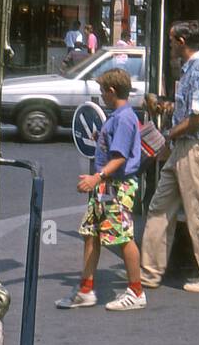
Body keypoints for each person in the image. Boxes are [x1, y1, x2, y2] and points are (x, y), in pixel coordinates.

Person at [140, 21, 199, 293]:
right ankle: (149, 273)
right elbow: (189, 111)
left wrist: (166, 134)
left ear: (181, 42)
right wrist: (165, 107)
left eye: (170, 40)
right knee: (158, 207)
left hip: (192, 148)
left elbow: (197, 118)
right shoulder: (192, 70)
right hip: (181, 148)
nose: (169, 45)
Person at [57, 68, 145, 311]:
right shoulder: (118, 116)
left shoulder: (124, 118)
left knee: (123, 237)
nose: (102, 96)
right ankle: (86, 289)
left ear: (111, 91)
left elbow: (120, 158)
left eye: (102, 91)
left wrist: (97, 177)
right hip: (107, 186)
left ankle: (136, 292)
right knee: (91, 233)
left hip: (116, 186)